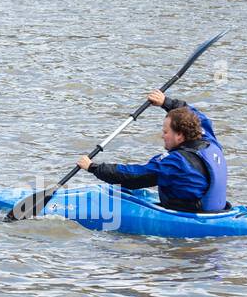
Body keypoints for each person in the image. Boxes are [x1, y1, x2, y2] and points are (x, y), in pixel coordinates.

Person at [76, 90, 229, 213]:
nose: (162, 136)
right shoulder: (209, 140)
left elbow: (134, 176)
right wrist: (166, 102)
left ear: (179, 135)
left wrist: (93, 167)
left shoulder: (177, 162)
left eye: (166, 132)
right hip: (215, 210)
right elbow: (197, 115)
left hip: (190, 213)